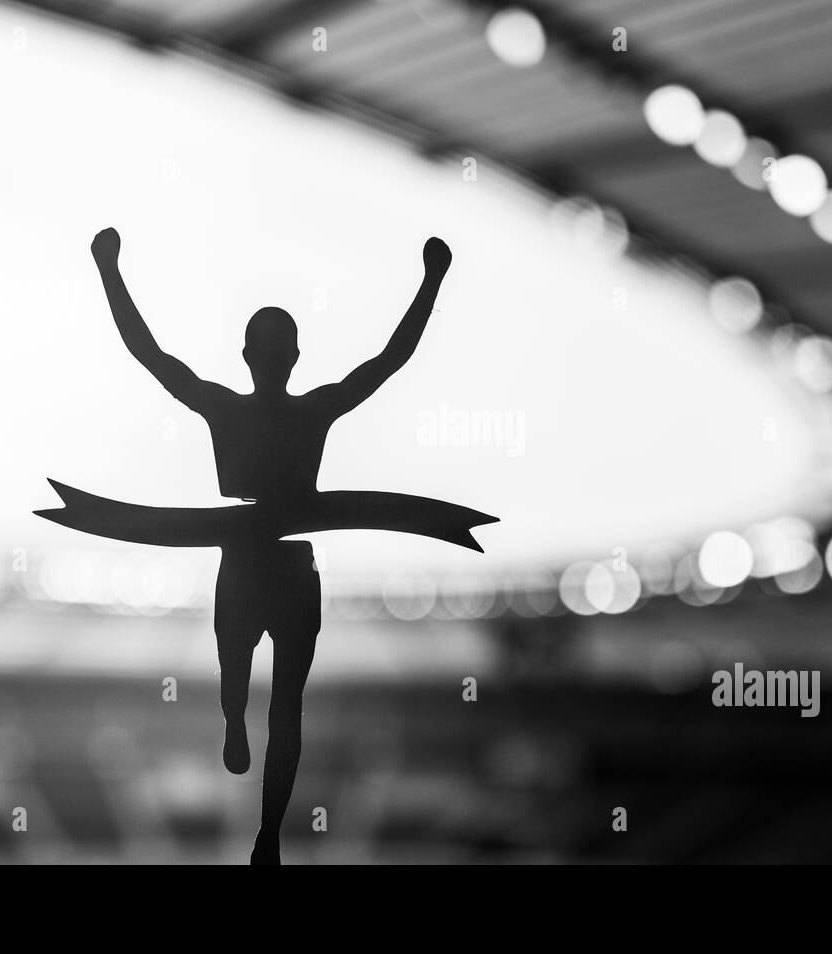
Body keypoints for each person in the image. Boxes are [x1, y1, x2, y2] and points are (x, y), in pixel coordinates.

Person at [37, 227, 496, 864]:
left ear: (249, 355)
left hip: (260, 563)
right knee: (270, 698)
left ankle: (266, 827)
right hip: (277, 565)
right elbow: (389, 361)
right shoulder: (304, 410)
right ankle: (240, 745)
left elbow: (151, 354)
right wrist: (431, 280)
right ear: (288, 356)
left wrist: (109, 270)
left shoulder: (234, 408)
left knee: (275, 698)